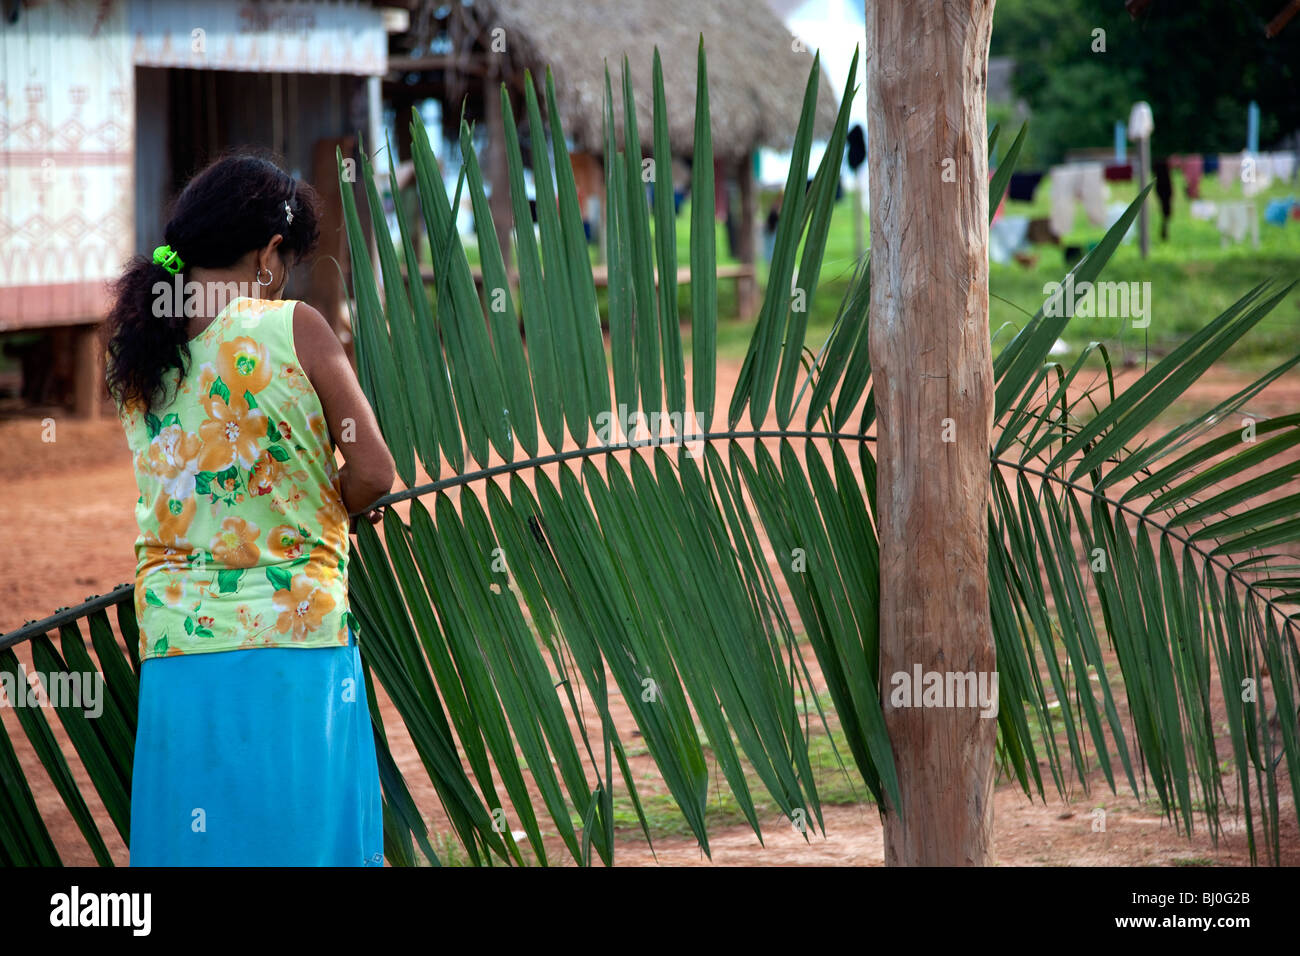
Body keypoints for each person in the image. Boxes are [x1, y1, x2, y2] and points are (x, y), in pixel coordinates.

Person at [103, 152, 396, 866]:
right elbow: (374, 471)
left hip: (179, 654)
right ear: (269, 255)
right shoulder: (295, 327)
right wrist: (336, 501)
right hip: (296, 647)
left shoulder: (143, 356)